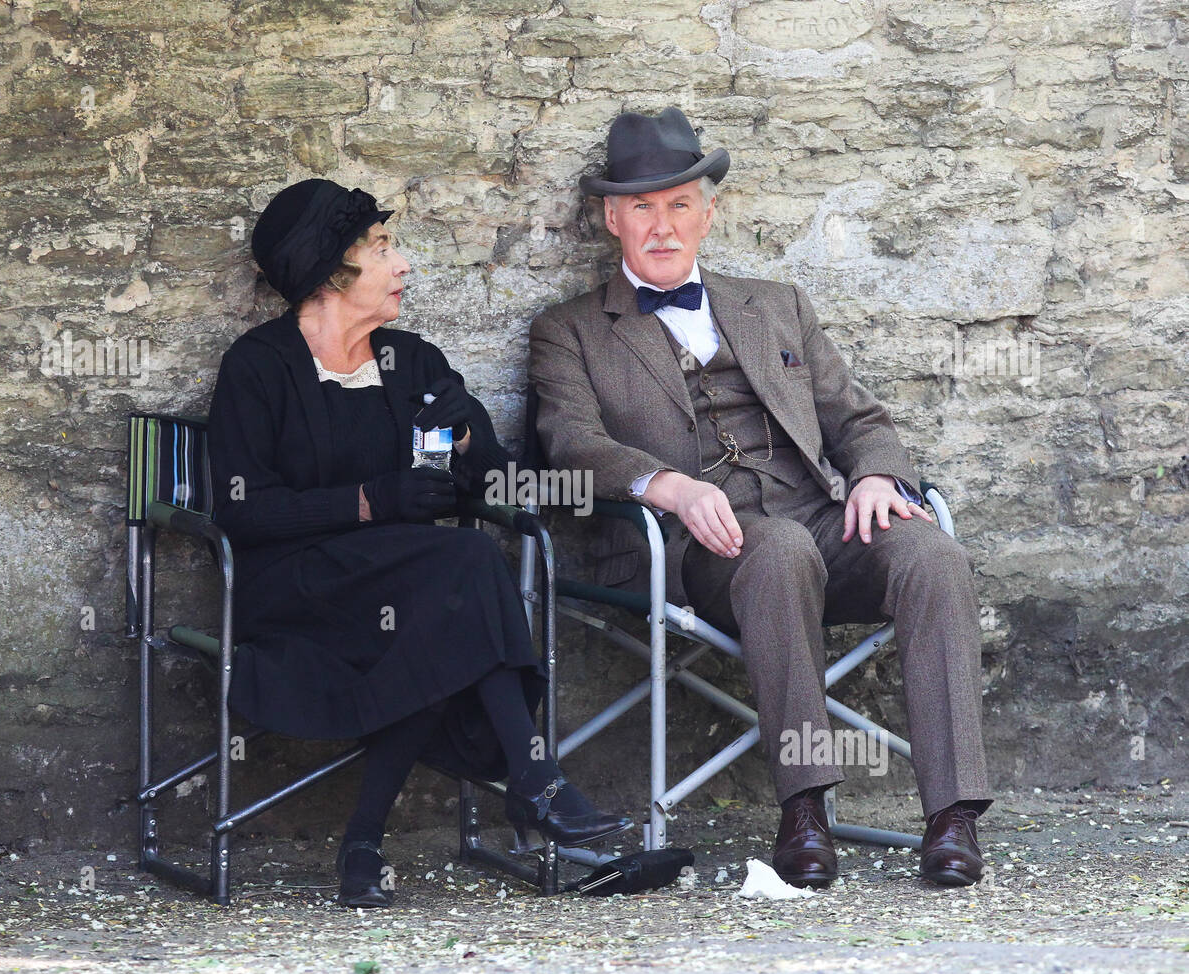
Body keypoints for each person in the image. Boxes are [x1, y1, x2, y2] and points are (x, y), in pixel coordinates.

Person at [528, 108, 992, 888]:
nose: (663, 225)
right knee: (776, 551)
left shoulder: (778, 305)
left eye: (680, 204)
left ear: (709, 211)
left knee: (930, 553)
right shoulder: (569, 330)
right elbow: (568, 443)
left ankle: (952, 817)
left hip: (816, 516)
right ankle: (805, 809)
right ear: (612, 217)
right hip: (692, 548)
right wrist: (665, 485)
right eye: (643, 206)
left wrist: (876, 473)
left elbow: (860, 419)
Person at [207, 179, 630, 909]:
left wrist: (468, 437)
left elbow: (504, 493)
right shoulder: (258, 367)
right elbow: (245, 512)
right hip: (298, 592)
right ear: (327, 273)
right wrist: (372, 501)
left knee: (441, 610)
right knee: (458, 580)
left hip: (408, 593)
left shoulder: (413, 362)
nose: (402, 265)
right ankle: (532, 778)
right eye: (381, 249)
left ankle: (366, 844)